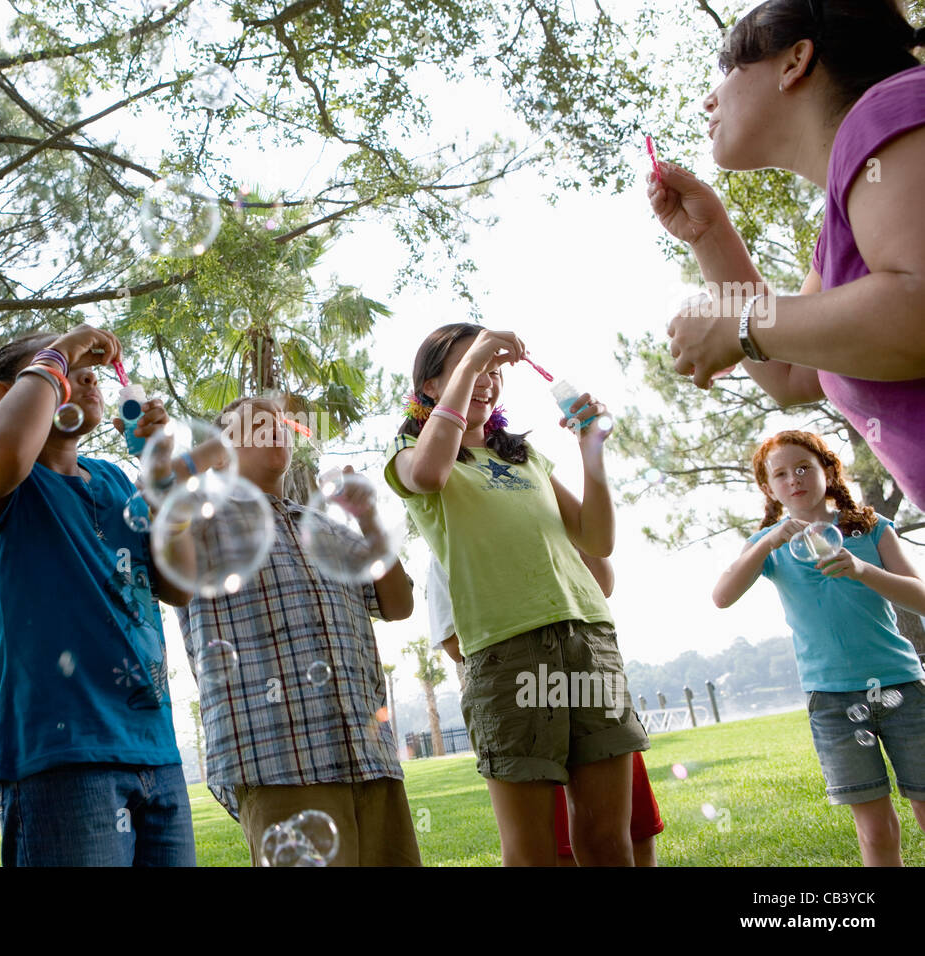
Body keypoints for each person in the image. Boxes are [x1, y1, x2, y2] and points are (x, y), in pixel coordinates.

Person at [384, 323, 650, 867]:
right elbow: (431, 474)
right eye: (468, 369)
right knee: (532, 852)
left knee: (608, 843)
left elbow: (597, 540)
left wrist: (591, 450)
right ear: (430, 386)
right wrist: (480, 350)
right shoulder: (411, 451)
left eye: (493, 371)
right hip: (508, 654)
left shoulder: (524, 455)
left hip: (588, 639)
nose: (486, 379)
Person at [650, 0, 925, 507]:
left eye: (730, 68)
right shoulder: (837, 238)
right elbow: (792, 375)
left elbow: (917, 307)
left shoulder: (886, 107)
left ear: (795, 62)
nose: (709, 100)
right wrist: (709, 236)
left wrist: (742, 322)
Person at [0, 327, 196, 867]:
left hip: (155, 750)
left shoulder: (116, 482)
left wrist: (159, 477)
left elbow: (180, 584)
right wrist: (65, 347)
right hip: (60, 756)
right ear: (6, 395)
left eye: (91, 368)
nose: (87, 372)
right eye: (66, 366)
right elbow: (9, 450)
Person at [175, 395, 422, 866]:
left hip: (369, 756)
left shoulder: (325, 530)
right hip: (278, 760)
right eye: (252, 424)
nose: (272, 428)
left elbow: (399, 603)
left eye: (278, 423)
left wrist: (368, 517)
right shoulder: (199, 522)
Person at [713, 429, 925, 866]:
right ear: (769, 488)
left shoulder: (870, 528)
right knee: (875, 831)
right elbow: (722, 596)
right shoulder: (768, 547)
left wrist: (863, 569)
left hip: (903, 687)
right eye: (781, 474)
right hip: (831, 699)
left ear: (828, 470)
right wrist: (766, 541)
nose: (795, 479)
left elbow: (920, 597)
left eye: (805, 467)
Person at [427, 553, 664, 866]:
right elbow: (455, 644)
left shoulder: (553, 509)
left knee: (626, 836)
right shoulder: (448, 542)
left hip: (591, 677)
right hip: (528, 699)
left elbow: (603, 582)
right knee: (549, 845)